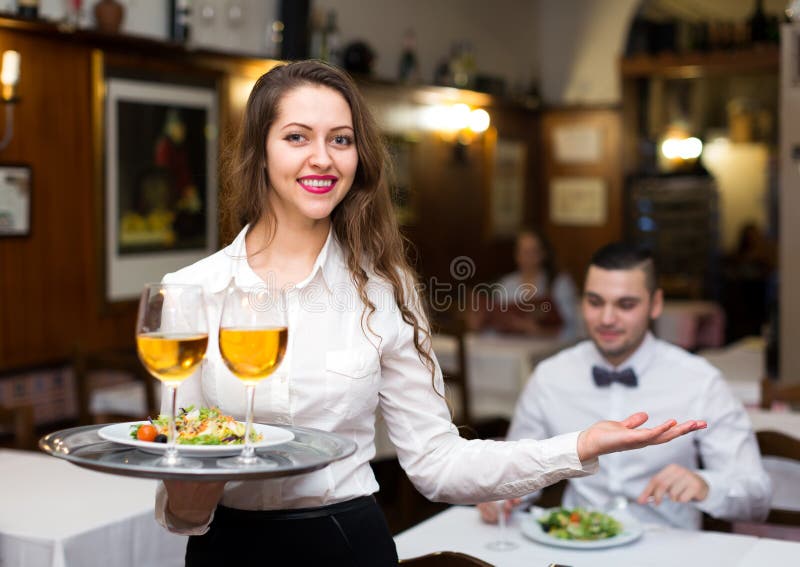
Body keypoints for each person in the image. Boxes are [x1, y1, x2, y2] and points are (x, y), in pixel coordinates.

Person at [156, 61, 706, 565]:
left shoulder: (388, 292)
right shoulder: (191, 292)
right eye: (297, 137)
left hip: (346, 545)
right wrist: (194, 488)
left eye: (340, 140)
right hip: (226, 552)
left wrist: (577, 447)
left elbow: (439, 465)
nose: (322, 157)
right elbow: (180, 508)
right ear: (261, 149)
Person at [478, 243, 771, 529]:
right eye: (595, 302)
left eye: (625, 305)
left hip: (668, 551)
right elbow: (522, 471)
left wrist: (707, 484)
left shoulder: (700, 381)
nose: (607, 318)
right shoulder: (550, 377)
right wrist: (501, 495)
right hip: (576, 548)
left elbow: (757, 496)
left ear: (655, 304)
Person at [496, 228, 579, 340]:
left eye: (532, 251)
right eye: (523, 251)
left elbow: (571, 327)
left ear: (543, 254)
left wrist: (539, 330)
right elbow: (496, 324)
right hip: (511, 347)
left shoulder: (559, 283)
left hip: (550, 349)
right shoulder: (507, 283)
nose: (527, 257)